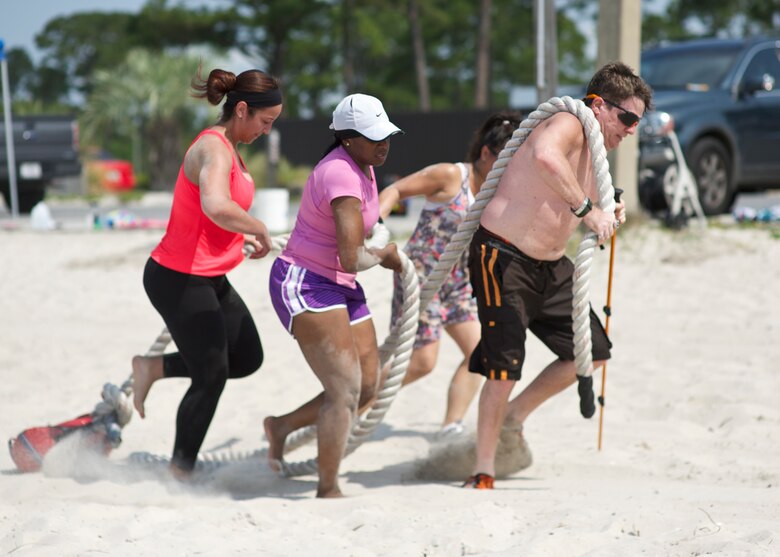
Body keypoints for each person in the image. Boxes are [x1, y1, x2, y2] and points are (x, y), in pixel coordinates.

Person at [463, 62, 653, 489]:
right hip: (503, 257)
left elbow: (589, 190)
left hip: (550, 266)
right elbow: (545, 158)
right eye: (627, 118)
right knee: (504, 370)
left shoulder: (599, 149)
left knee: (592, 353)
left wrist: (611, 204)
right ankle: (483, 469)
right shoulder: (569, 120)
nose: (631, 130)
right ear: (599, 106)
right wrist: (588, 211)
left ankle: (514, 417)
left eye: (637, 123)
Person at [130, 66, 283, 479]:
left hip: (208, 276)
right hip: (177, 276)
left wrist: (240, 236)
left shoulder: (230, 147)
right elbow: (215, 204)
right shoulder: (214, 148)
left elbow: (213, 214)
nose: (267, 131)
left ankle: (153, 368)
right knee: (211, 376)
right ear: (242, 110)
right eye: (266, 121)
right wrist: (258, 228)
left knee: (247, 357)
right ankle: (179, 473)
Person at [264, 93, 404, 498]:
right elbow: (352, 257)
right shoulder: (340, 174)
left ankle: (281, 426)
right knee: (344, 391)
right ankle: (328, 489)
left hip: (340, 283)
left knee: (368, 387)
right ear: (347, 139)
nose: (383, 144)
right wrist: (386, 256)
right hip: (305, 282)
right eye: (374, 137)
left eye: (386, 135)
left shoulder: (366, 165)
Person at [378, 112, 523, 438]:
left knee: (483, 353)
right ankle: (356, 401)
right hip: (420, 277)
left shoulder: (499, 195)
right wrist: (375, 223)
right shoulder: (450, 176)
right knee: (422, 363)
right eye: (504, 162)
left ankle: (450, 426)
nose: (509, 172)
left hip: (459, 283)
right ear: (485, 153)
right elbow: (396, 190)